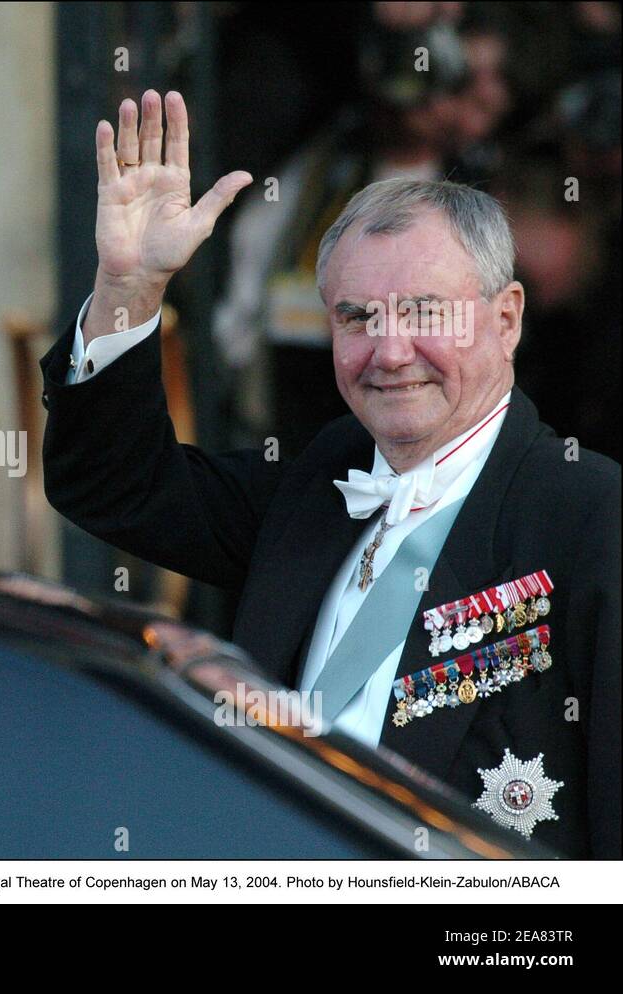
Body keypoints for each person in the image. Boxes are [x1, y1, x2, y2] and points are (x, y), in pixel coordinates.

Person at [40, 90, 620, 857]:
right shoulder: (321, 477)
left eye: (425, 313)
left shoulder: (592, 516)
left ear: (505, 319)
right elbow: (116, 486)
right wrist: (129, 289)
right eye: (356, 317)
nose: (389, 351)